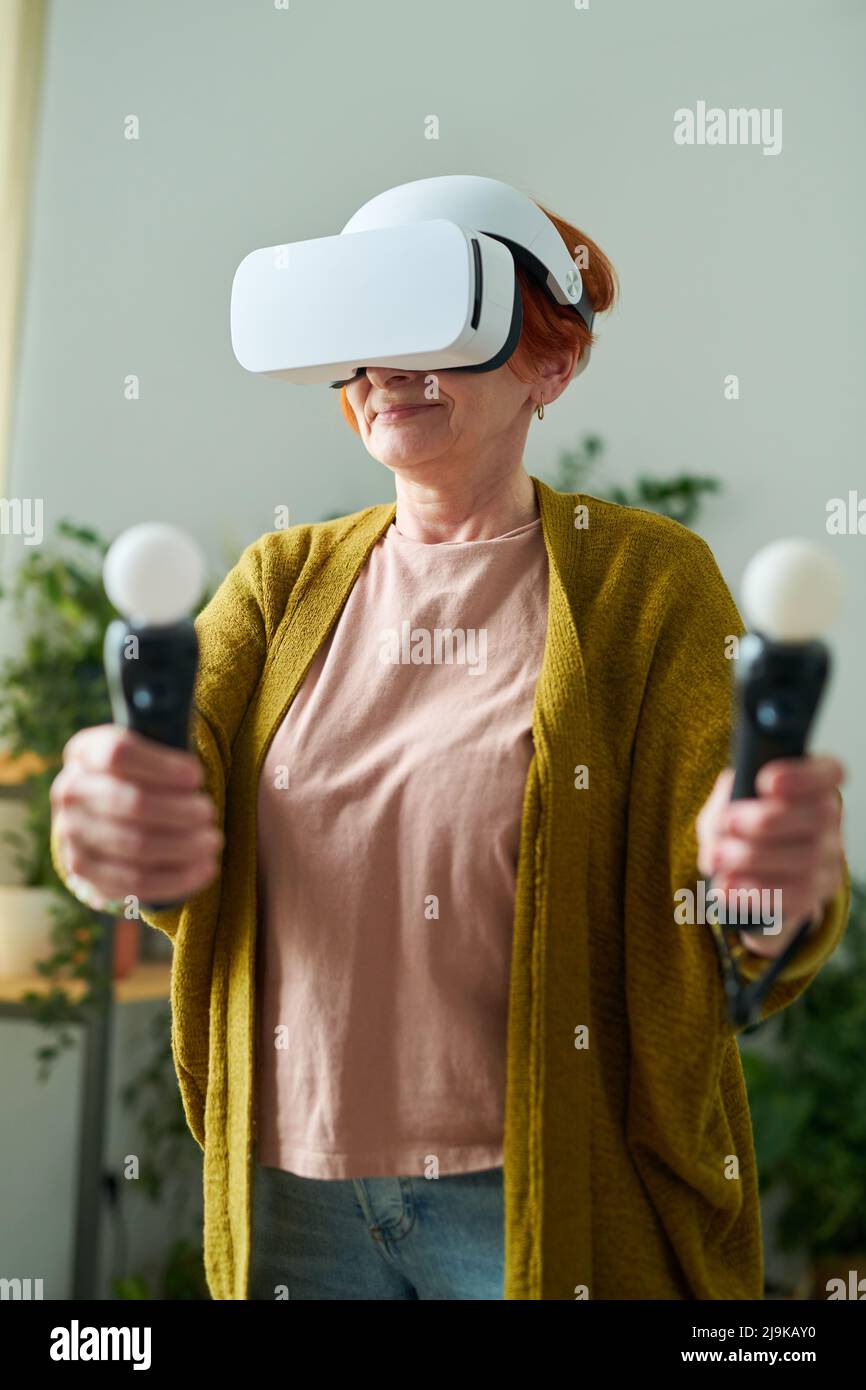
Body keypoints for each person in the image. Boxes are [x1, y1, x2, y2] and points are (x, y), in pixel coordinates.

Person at [49, 190, 850, 1301]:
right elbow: (154, 809)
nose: (391, 361)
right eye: (366, 327)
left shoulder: (644, 584)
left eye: (437, 321)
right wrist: (109, 830)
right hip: (296, 1194)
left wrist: (768, 889)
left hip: (535, 1191)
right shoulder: (278, 586)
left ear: (548, 364)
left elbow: (733, 934)